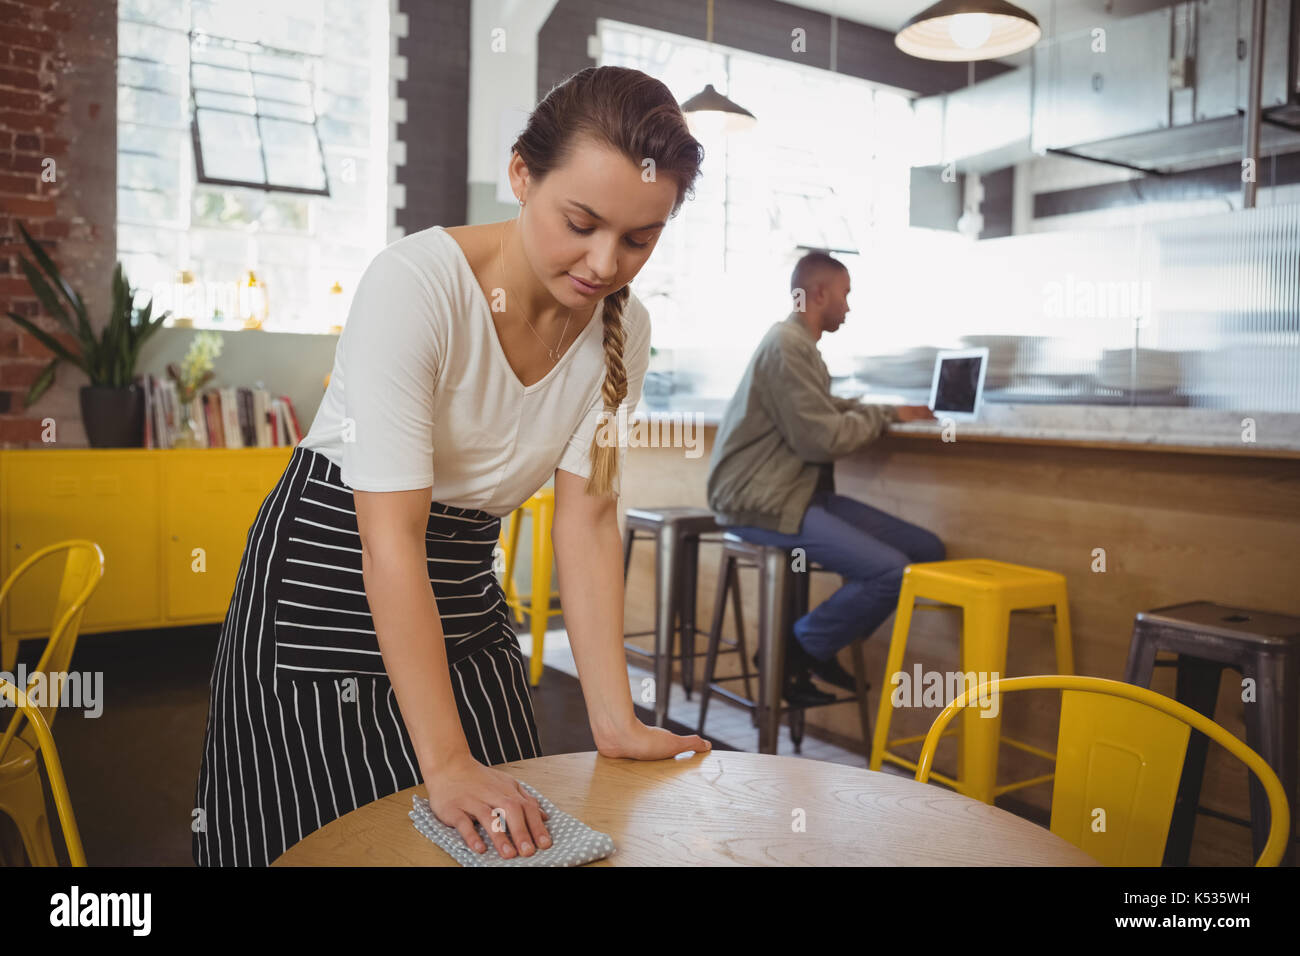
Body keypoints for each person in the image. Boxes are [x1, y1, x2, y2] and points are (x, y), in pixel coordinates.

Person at [192, 66, 712, 867]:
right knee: (329, 845)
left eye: (639, 239)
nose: (605, 263)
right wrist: (443, 761)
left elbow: (590, 514)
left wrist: (613, 720)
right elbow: (390, 540)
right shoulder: (415, 285)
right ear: (520, 174)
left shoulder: (623, 328)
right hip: (331, 575)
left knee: (516, 838)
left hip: (464, 583)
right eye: (581, 222)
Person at [706, 252, 945, 706]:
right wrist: (883, 414)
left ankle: (810, 646)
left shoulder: (799, 347)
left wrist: (883, 410)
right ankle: (798, 649)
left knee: (927, 551)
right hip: (758, 499)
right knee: (892, 573)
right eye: (846, 294)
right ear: (819, 293)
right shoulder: (787, 345)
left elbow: (821, 411)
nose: (849, 307)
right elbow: (820, 439)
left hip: (794, 494)